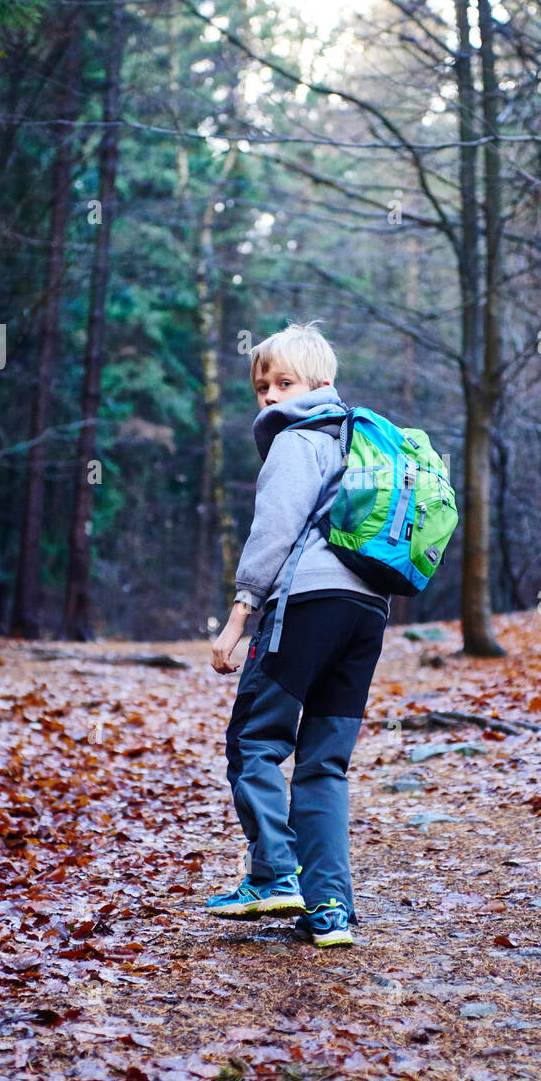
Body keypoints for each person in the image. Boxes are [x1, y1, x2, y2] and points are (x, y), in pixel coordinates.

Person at [205, 321, 389, 947]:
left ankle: (274, 874)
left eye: (283, 383)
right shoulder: (360, 443)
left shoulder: (295, 439)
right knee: (324, 764)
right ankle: (330, 906)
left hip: (306, 603)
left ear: (321, 385)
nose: (270, 398)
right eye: (262, 387)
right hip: (368, 610)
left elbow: (275, 530)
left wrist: (238, 615)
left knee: (254, 739)